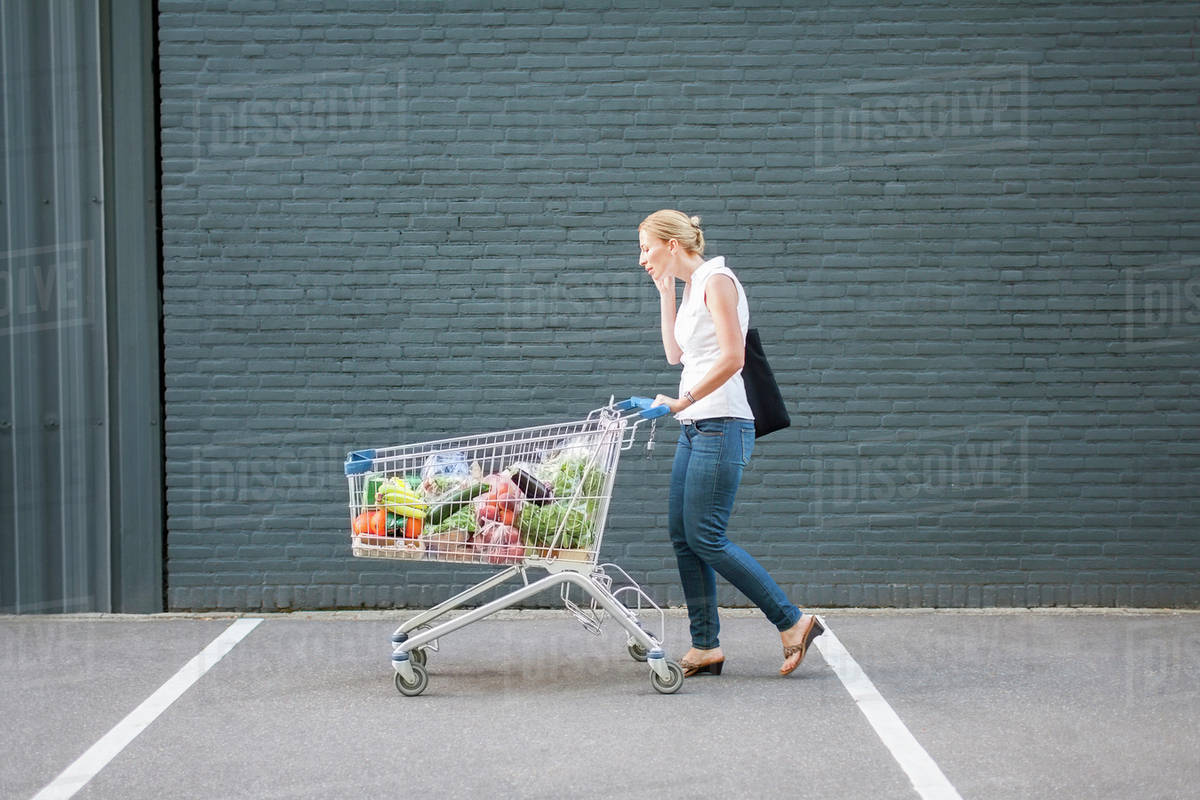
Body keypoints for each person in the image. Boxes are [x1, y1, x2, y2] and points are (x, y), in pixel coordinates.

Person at [638, 209, 823, 678]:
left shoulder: (718, 280)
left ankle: (793, 621)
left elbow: (734, 357)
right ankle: (705, 645)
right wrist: (665, 294)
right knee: (684, 537)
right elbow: (676, 355)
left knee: (706, 536)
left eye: (646, 248)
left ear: (672, 244)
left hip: (722, 423)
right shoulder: (691, 285)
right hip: (697, 424)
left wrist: (683, 402)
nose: (642, 259)